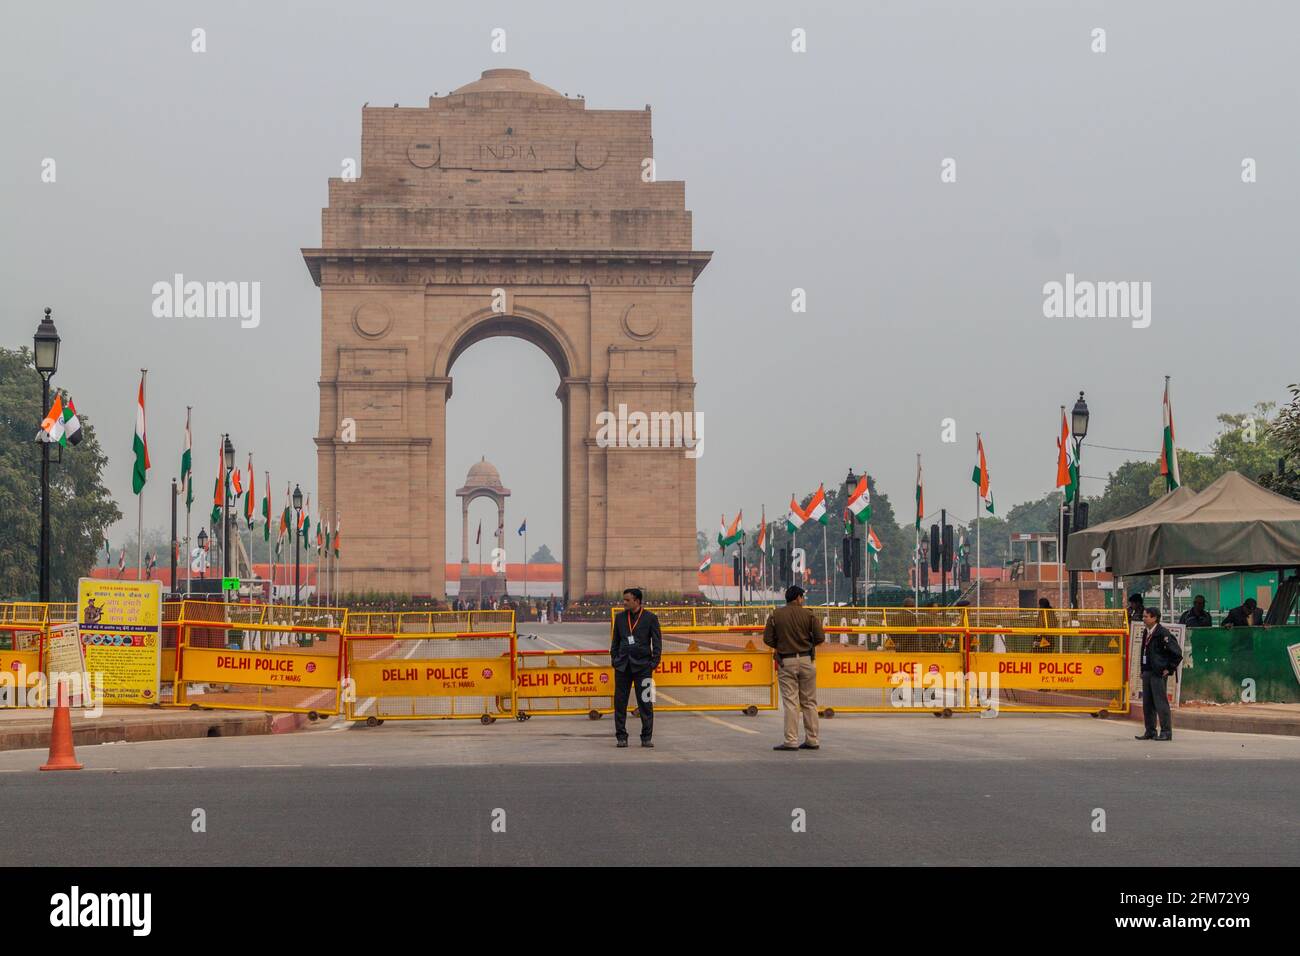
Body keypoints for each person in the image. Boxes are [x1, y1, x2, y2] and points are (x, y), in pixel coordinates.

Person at [763, 585, 826, 751]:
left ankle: (790, 740)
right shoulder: (809, 614)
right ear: (798, 597)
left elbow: (767, 639)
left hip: (786, 660)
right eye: (802, 597)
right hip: (806, 659)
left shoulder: (776, 615)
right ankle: (812, 739)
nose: (803, 600)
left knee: (791, 702)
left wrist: (782, 645)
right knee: (809, 702)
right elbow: (820, 637)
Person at [610, 587, 661, 748]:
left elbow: (657, 642)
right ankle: (621, 737)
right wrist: (615, 660)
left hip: (643, 667)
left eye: (627, 600)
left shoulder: (650, 618)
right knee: (620, 703)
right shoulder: (619, 618)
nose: (624, 602)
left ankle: (646, 737)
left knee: (646, 702)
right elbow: (615, 642)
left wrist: (653, 663)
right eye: (623, 599)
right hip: (623, 667)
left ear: (637, 601)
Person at [1135, 607, 1182, 742]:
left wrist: (1169, 668)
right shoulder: (1147, 632)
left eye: (1146, 617)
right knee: (1147, 703)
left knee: (1160, 703)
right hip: (1148, 671)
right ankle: (1150, 730)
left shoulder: (1163, 634)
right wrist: (1143, 669)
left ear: (1154, 618)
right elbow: (1144, 651)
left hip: (1158, 673)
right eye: (1143, 616)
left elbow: (1177, 654)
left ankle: (1166, 731)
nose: (1143, 619)